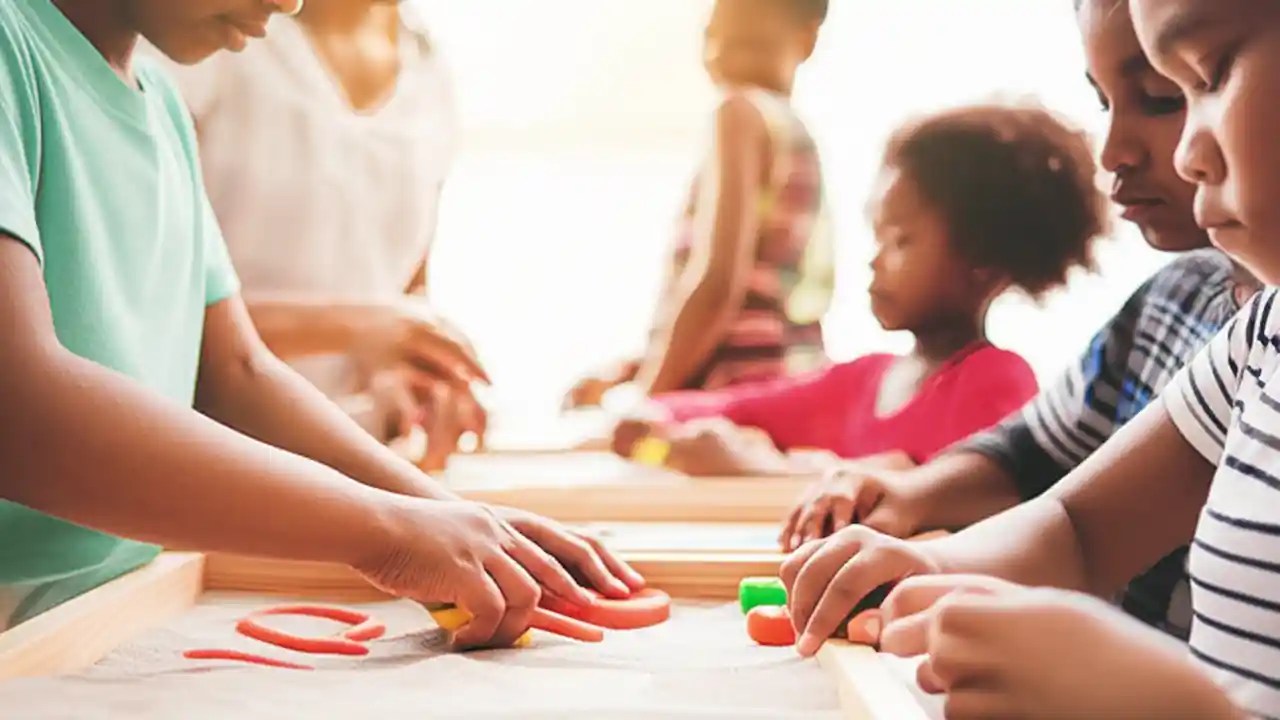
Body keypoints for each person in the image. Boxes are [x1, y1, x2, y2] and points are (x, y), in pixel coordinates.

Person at [0, 0, 642, 649]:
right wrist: (384, 533)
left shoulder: (161, 102)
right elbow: (19, 410)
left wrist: (442, 514)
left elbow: (234, 373)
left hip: (106, 610)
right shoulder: (9, 46)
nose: (290, 4)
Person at [783, 1, 1280, 716]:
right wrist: (935, 562)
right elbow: (1075, 526)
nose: (1185, 152)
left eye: (1205, 79)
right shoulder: (1260, 338)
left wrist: (1161, 704)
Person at [610, 103, 1108, 480]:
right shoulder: (861, 381)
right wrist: (647, 415)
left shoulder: (996, 384)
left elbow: (944, 504)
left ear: (982, 259)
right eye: (876, 236)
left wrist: (757, 470)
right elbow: (731, 409)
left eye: (900, 241)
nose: (874, 259)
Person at [166, 0, 484, 469]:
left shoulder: (431, 71)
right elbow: (152, 314)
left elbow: (405, 286)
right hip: (197, 453)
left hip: (347, 460)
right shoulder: (209, 36)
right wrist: (364, 328)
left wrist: (402, 372)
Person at [563, 0, 835, 409]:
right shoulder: (795, 133)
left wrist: (648, 401)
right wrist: (635, 369)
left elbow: (719, 284)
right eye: (712, 36)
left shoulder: (738, 113)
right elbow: (758, 300)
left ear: (807, 40)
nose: (720, 54)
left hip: (735, 392)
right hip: (789, 381)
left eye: (747, 42)